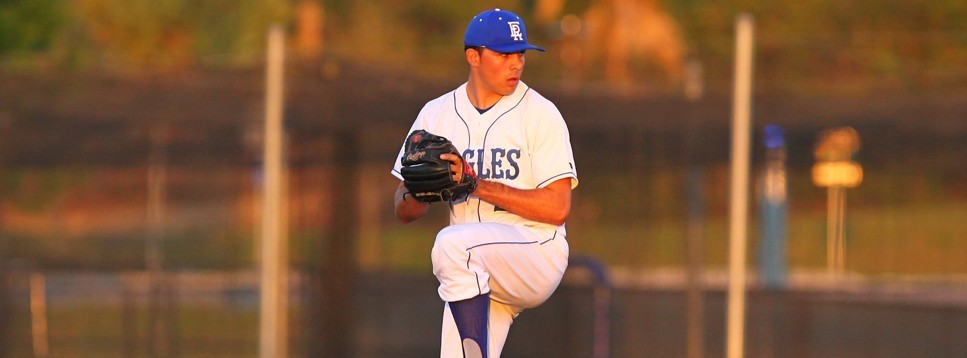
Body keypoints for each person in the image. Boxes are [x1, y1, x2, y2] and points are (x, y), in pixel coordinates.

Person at [391, 8, 578, 358]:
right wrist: (419, 187)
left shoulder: (540, 113)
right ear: (473, 56)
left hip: (535, 250)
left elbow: (558, 208)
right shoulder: (437, 113)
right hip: (472, 276)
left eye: (520, 53)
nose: (516, 64)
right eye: (504, 54)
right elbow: (403, 209)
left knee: (451, 245)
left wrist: (473, 184)